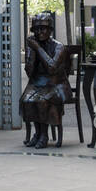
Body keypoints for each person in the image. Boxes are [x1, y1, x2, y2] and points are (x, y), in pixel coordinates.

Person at [19, 12, 74, 149]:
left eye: (43, 28)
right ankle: (37, 133)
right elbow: (29, 72)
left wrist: (38, 49)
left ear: (50, 30)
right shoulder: (33, 45)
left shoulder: (58, 47)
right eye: (36, 29)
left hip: (57, 84)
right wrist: (31, 53)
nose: (39, 32)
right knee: (26, 100)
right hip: (38, 83)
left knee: (42, 100)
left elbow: (51, 68)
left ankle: (44, 135)